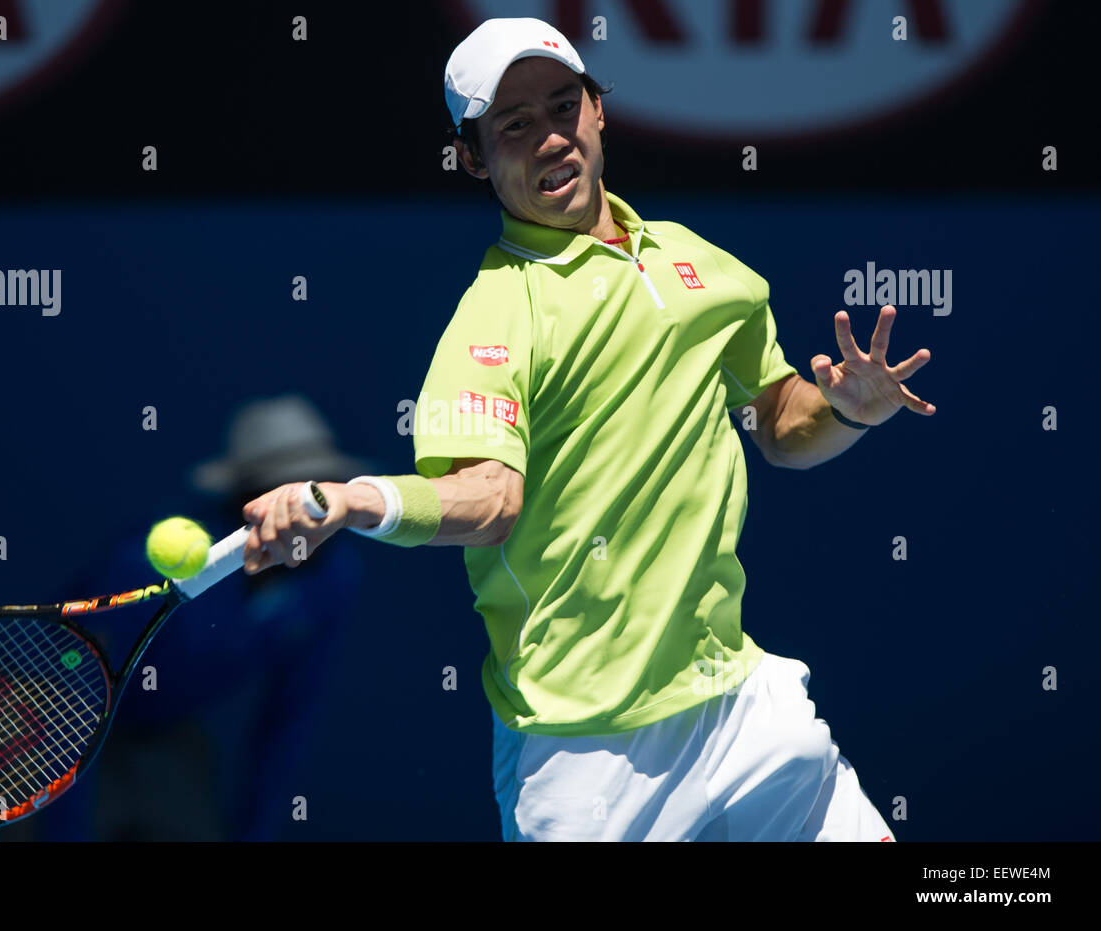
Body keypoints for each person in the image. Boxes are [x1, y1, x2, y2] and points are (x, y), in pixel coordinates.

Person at [238, 17, 935, 841]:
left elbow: (780, 422)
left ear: (600, 111)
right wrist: (361, 501)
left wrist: (849, 409)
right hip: (584, 755)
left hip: (744, 707)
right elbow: (488, 498)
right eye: (514, 126)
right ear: (472, 157)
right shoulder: (492, 319)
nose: (550, 139)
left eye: (563, 106)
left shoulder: (705, 268)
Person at [28, 395, 366, 841]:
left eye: (319, 499)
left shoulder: (334, 579)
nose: (310, 524)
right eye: (288, 498)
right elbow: (70, 705)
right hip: (42, 733)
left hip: (167, 738)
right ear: (246, 502)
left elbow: (287, 723)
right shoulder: (144, 566)